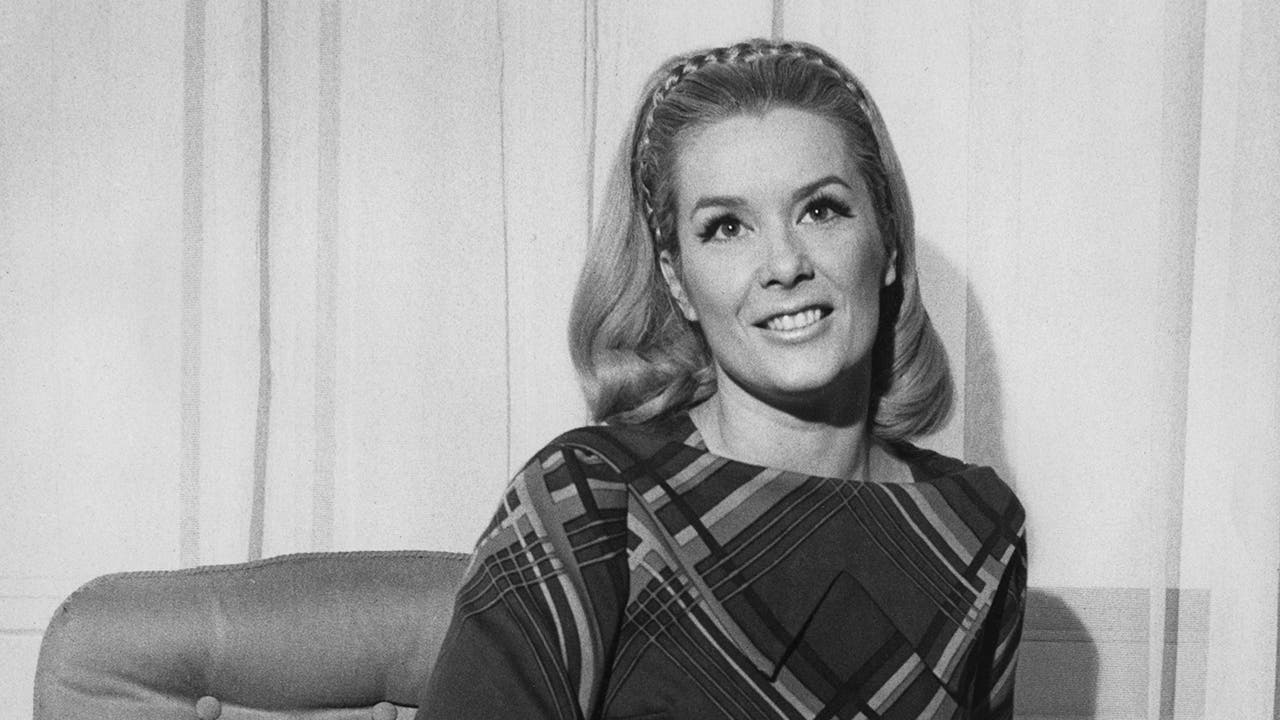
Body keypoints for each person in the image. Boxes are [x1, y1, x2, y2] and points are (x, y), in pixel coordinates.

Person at [418, 38, 1026, 720]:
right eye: (727, 227)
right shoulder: (588, 499)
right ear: (677, 281)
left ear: (886, 243)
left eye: (820, 210)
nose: (784, 265)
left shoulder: (977, 524)